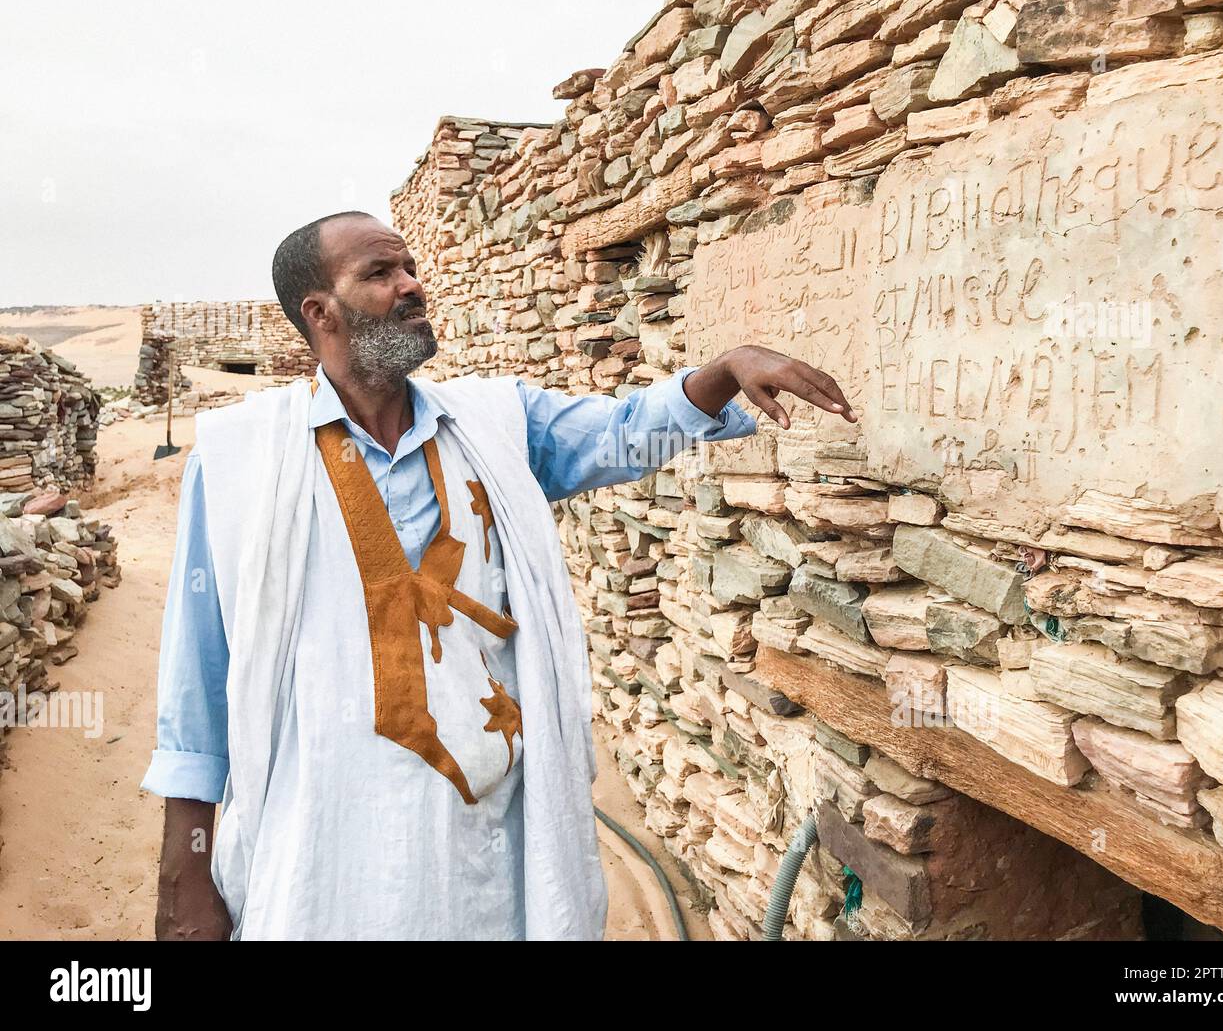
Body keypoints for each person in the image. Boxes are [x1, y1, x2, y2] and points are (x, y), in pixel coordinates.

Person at [140, 211, 857, 940]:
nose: (412, 285)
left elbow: (623, 432)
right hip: (321, 861)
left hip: (479, 852)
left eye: (410, 266)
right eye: (381, 274)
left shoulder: (492, 425)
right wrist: (184, 870)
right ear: (320, 312)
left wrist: (724, 371)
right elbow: (198, 676)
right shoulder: (241, 461)